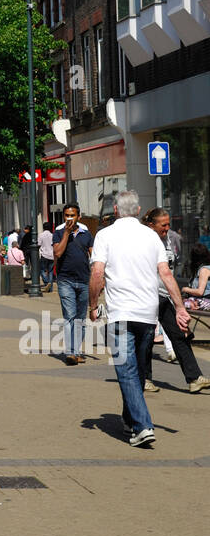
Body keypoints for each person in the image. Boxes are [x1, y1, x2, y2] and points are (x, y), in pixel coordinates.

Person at [88, 190, 189, 448]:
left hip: (120, 313)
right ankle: (129, 418)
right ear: (138, 209)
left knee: (128, 370)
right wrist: (179, 307)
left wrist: (92, 305)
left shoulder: (105, 235)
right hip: (147, 315)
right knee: (136, 371)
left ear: (116, 209)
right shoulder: (151, 236)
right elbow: (166, 273)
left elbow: (98, 273)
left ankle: (143, 426)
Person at [142, 211, 210, 394]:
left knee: (179, 334)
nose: (167, 228)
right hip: (149, 295)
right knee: (147, 337)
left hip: (166, 296)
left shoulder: (168, 240)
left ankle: (194, 378)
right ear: (152, 225)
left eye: (168, 224)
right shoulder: (145, 241)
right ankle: (145, 378)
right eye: (163, 225)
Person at [52, 202, 93, 365]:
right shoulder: (59, 233)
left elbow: (94, 256)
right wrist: (66, 234)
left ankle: (76, 351)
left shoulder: (87, 235)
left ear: (78, 217)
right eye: (67, 215)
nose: (69, 218)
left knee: (80, 319)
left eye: (72, 215)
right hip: (65, 280)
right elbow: (58, 252)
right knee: (69, 316)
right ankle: (70, 353)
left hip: (84, 280)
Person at [182, 243, 210, 311]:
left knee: (178, 304)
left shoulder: (204, 270)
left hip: (206, 300)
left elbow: (200, 292)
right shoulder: (200, 268)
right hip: (198, 300)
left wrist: (185, 289)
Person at [39, 225, 55, 291]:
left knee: (42, 270)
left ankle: (47, 282)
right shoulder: (52, 235)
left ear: (43, 228)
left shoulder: (41, 235)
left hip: (44, 255)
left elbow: (39, 244)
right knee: (50, 271)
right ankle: (50, 288)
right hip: (52, 255)